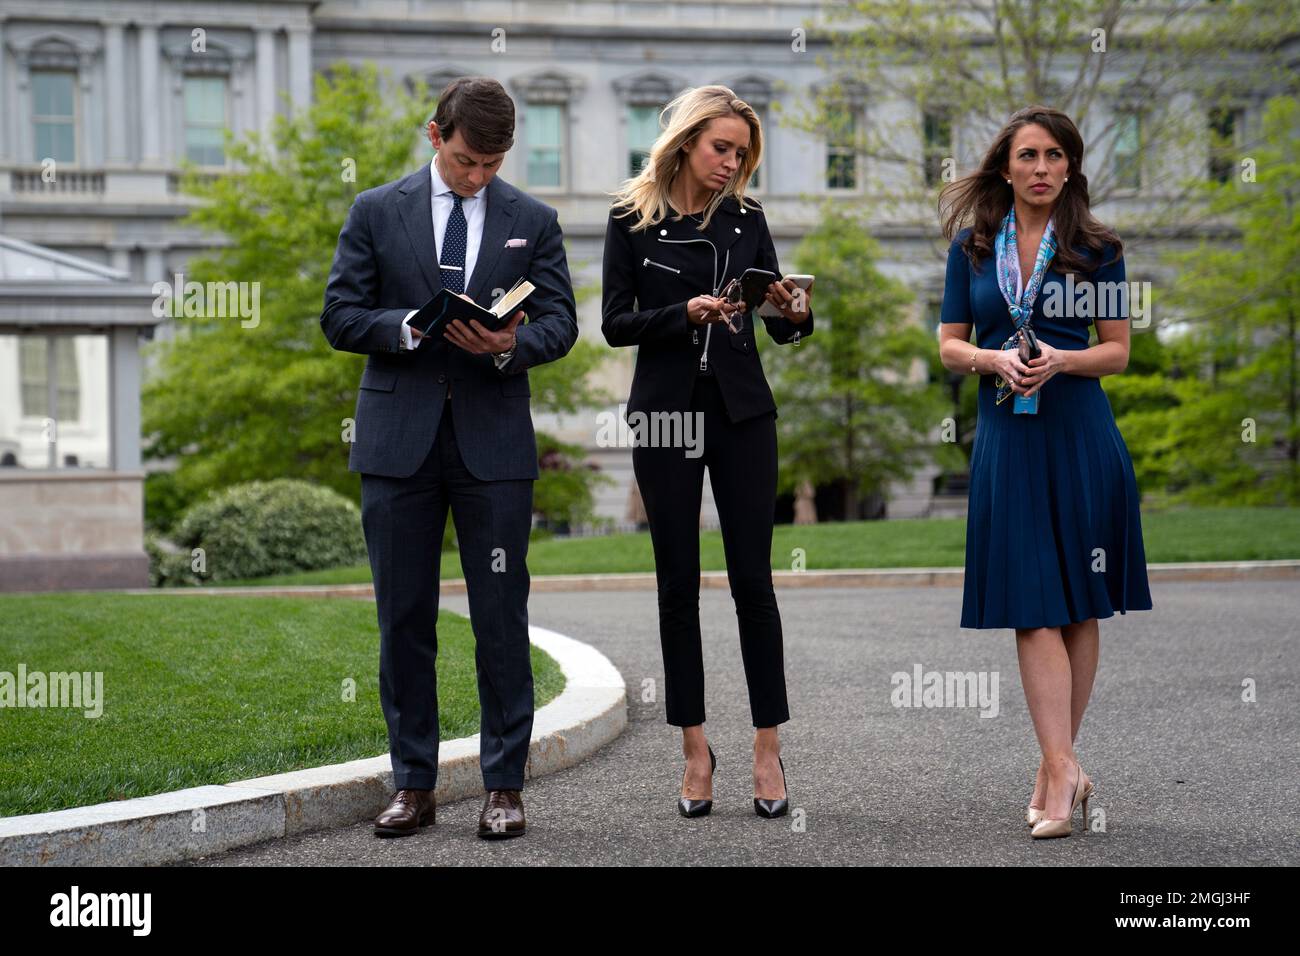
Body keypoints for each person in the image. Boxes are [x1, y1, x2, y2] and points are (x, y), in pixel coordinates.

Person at [320, 76, 578, 840]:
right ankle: (413, 783)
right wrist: (404, 328)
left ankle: (504, 785)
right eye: (468, 161)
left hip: (494, 447)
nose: (479, 177)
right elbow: (339, 313)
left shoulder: (533, 219)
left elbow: (561, 322)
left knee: (501, 616)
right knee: (404, 620)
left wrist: (511, 344)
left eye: (493, 165)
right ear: (436, 137)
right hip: (397, 446)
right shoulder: (374, 210)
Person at [937, 105, 1153, 839]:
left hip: (1080, 434)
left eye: (1054, 156)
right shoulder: (972, 249)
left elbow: (1117, 352)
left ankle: (1053, 768)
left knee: (1078, 604)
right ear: (1007, 165)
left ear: (1070, 167)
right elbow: (947, 345)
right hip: (1006, 435)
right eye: (1028, 155)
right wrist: (995, 357)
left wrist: (1061, 358)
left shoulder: (1096, 248)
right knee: (1032, 603)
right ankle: (1063, 766)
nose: (1040, 168)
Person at [601, 85, 813, 819]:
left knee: (755, 581)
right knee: (676, 585)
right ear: (688, 140)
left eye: (742, 153)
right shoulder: (630, 219)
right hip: (664, 416)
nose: (732, 163)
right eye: (722, 147)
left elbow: (779, 322)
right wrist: (681, 313)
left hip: (742, 412)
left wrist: (794, 311)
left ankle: (766, 748)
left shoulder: (749, 220)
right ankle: (695, 750)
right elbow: (615, 324)